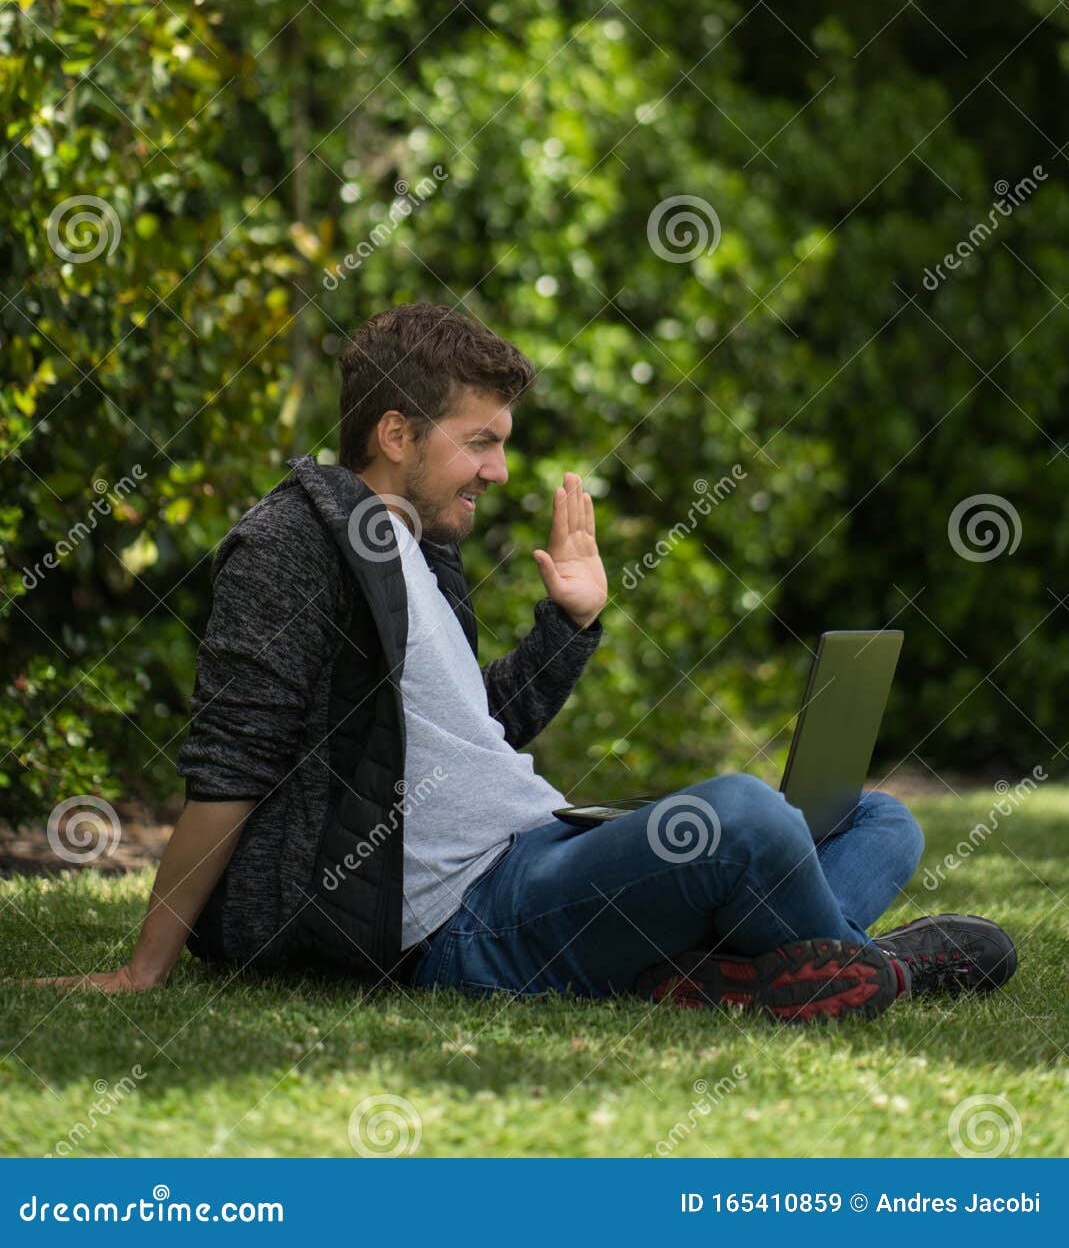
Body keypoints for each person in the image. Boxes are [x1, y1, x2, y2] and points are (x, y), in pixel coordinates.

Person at [34, 303, 1017, 1020]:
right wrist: (147, 965)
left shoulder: (421, 550)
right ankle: (867, 969)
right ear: (393, 433)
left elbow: (480, 731)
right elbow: (234, 757)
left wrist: (569, 623)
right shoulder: (294, 541)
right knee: (746, 814)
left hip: (540, 851)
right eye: (481, 443)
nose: (499, 471)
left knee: (879, 818)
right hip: (470, 921)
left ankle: (734, 971)